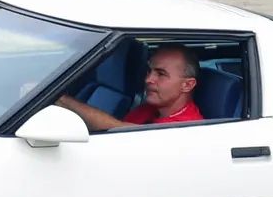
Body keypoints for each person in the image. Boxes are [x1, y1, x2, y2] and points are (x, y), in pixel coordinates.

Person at [56, 44, 203, 131]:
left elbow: (117, 129)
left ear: (187, 85)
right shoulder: (152, 108)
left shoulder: (185, 127)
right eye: (149, 71)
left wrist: (61, 99)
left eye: (161, 74)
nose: (148, 79)